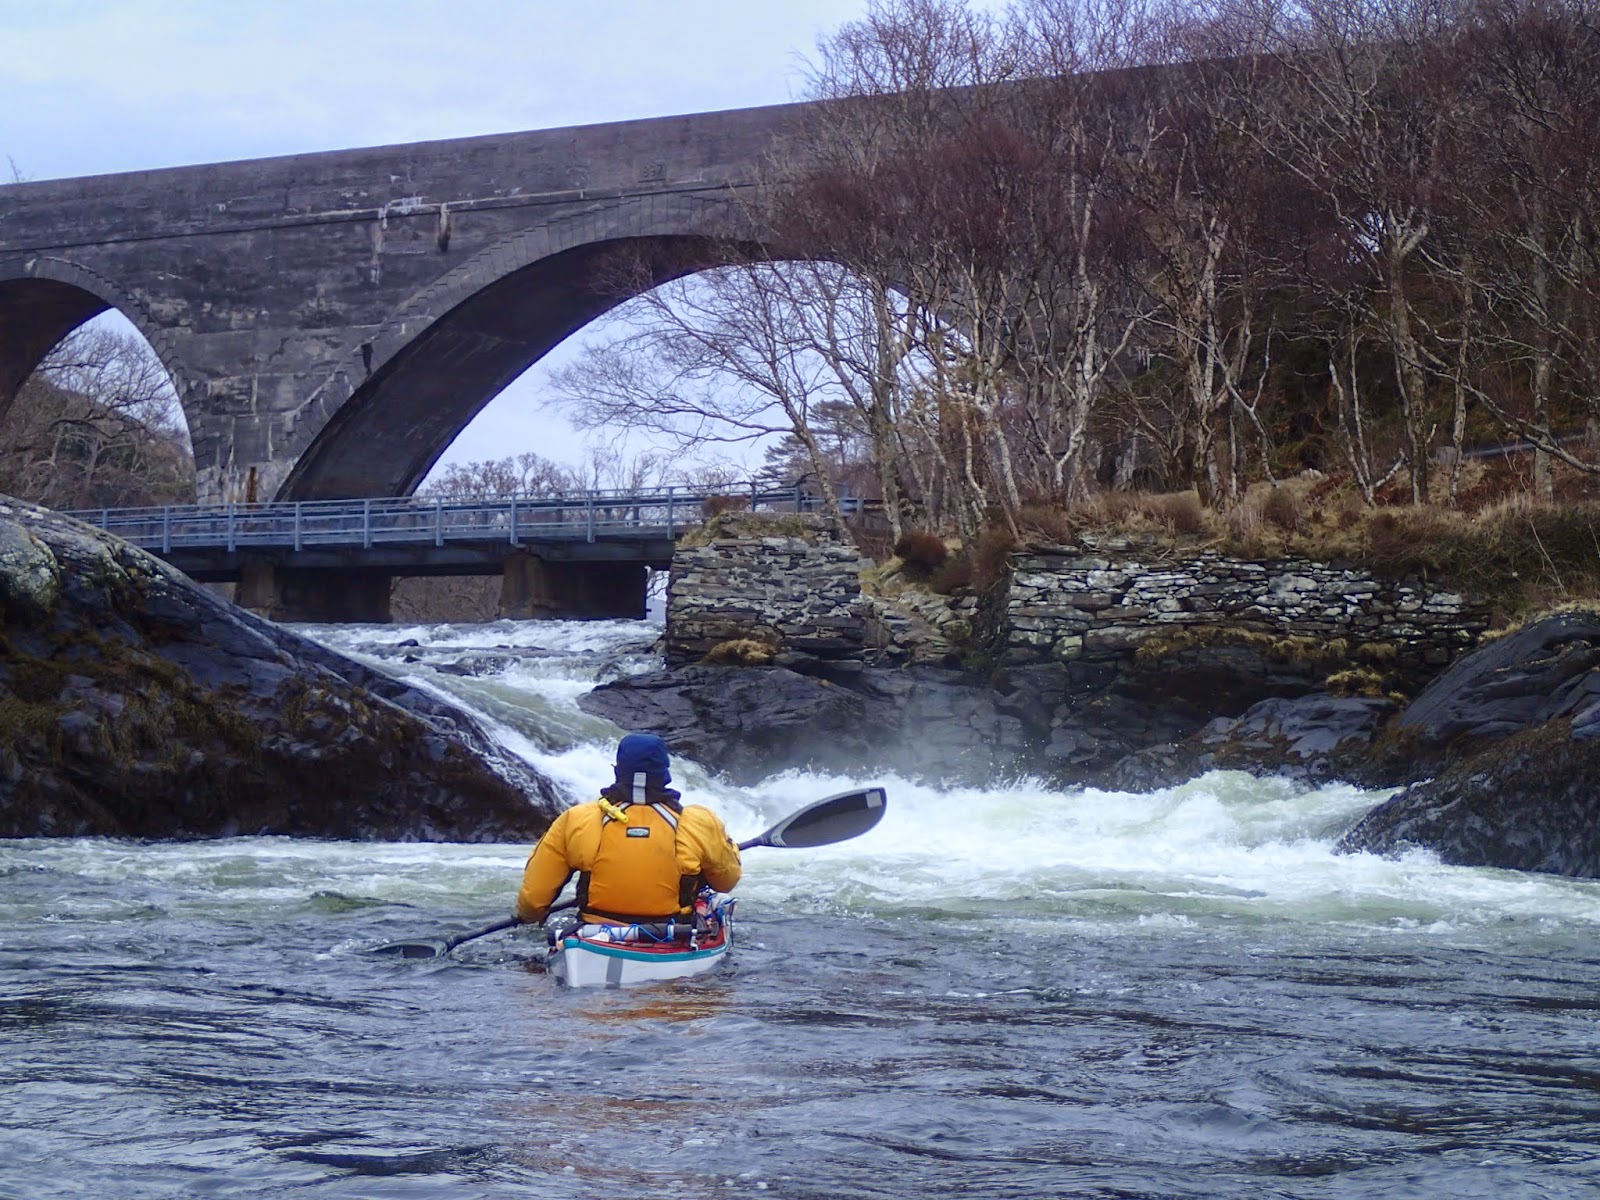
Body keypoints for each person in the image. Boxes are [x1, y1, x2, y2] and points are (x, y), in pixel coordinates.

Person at [514, 733, 741, 930]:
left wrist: (530, 916)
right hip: (673, 932)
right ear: (665, 772)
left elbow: (533, 900)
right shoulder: (699, 821)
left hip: (596, 933)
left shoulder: (577, 819)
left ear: (617, 770)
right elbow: (726, 882)